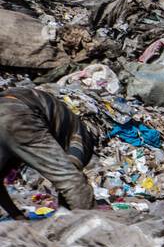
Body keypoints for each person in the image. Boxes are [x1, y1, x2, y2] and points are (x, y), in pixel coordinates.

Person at [0, 88, 98, 219]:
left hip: (11, 107)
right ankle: (92, 233)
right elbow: (72, 180)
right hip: (17, 114)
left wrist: (18, 217)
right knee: (70, 179)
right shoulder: (80, 140)